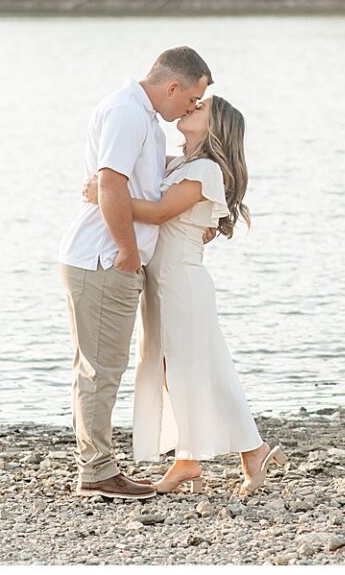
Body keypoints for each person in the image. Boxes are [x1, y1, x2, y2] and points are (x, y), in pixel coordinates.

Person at [82, 95, 285, 496]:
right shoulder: (178, 164)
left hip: (183, 284)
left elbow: (158, 213)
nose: (191, 108)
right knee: (171, 371)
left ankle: (251, 450)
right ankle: (189, 460)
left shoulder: (208, 170)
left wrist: (103, 197)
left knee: (200, 370)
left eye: (201, 107)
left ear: (215, 127)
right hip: (161, 284)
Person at [56, 48, 211, 500]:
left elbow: (142, 186)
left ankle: (96, 465)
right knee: (101, 369)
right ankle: (98, 472)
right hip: (104, 259)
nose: (190, 108)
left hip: (103, 258)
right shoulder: (127, 113)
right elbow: (110, 183)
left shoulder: (141, 117)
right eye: (191, 98)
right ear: (173, 86)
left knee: (98, 366)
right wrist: (126, 250)